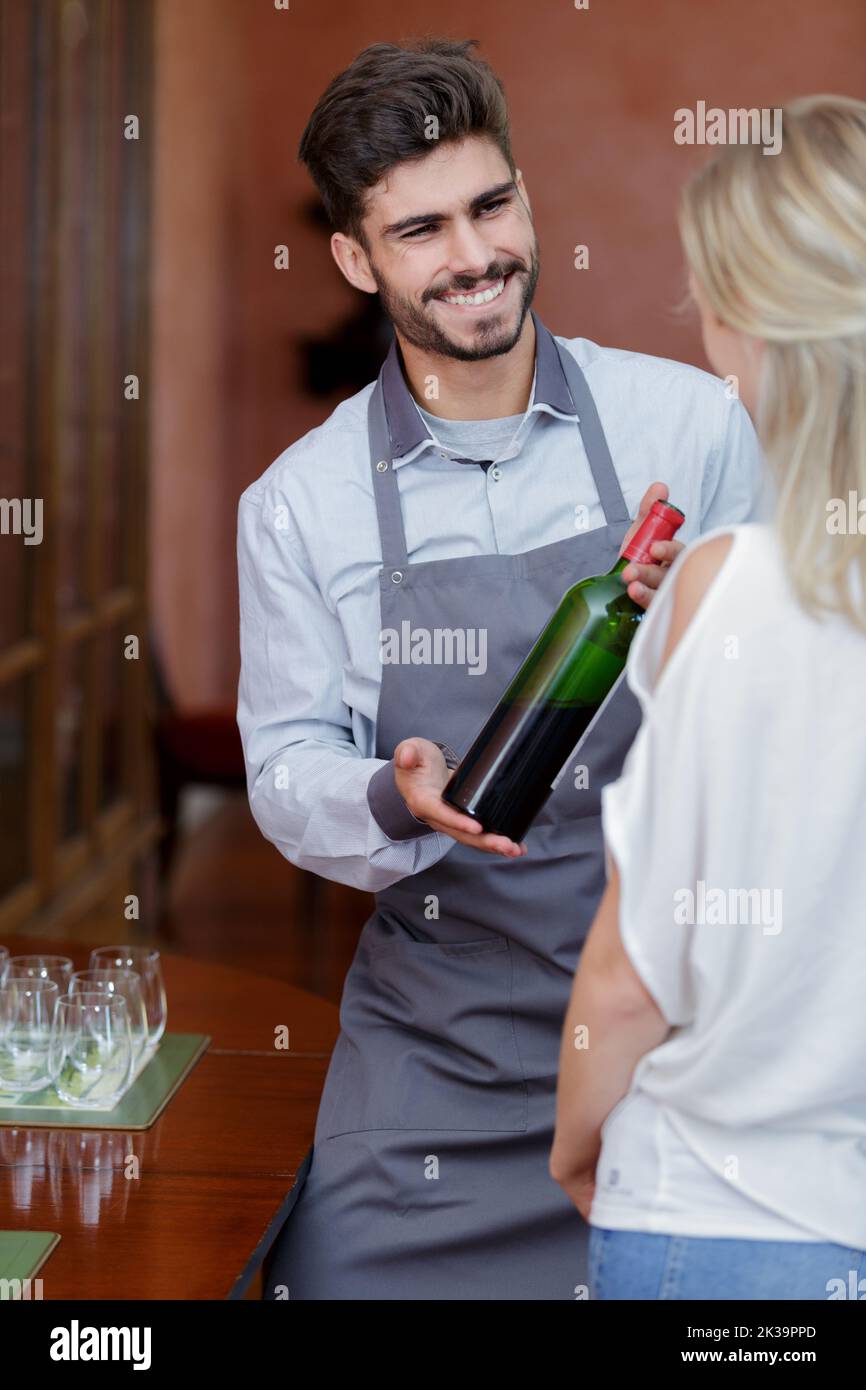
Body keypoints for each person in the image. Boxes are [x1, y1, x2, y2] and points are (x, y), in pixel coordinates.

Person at [237, 37, 766, 1300]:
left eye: (489, 205)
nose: (472, 256)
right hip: (440, 1043)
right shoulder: (296, 508)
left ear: (526, 200)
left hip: (671, 1018)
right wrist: (388, 793)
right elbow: (283, 766)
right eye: (419, 230)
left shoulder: (689, 428)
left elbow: (776, 706)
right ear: (358, 261)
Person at [551, 94, 866, 1301]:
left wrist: (579, 1144)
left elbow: (630, 975)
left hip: (720, 1227)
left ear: (744, 320)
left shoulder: (726, 592)